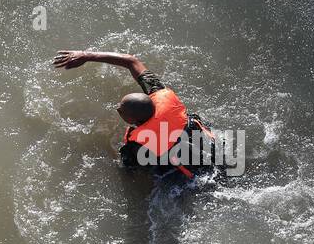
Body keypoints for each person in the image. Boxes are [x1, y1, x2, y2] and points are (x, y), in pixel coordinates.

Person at [52, 50, 215, 181]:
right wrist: (86, 55)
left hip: (197, 177)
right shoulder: (159, 93)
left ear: (133, 120)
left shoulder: (138, 144)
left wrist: (105, 149)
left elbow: (128, 171)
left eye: (121, 110)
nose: (117, 109)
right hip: (212, 149)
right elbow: (131, 61)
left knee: (159, 172)